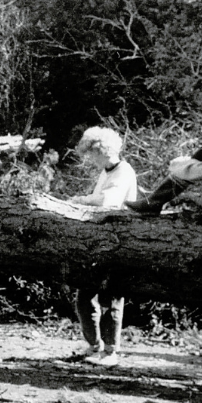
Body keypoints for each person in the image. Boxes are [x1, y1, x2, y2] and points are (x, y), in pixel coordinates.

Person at [68, 126, 137, 366]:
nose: (90, 159)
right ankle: (94, 344)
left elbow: (109, 201)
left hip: (119, 240)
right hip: (99, 241)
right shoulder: (106, 172)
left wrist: (81, 200)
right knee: (84, 297)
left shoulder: (123, 171)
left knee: (111, 299)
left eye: (92, 154)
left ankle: (110, 351)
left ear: (102, 151)